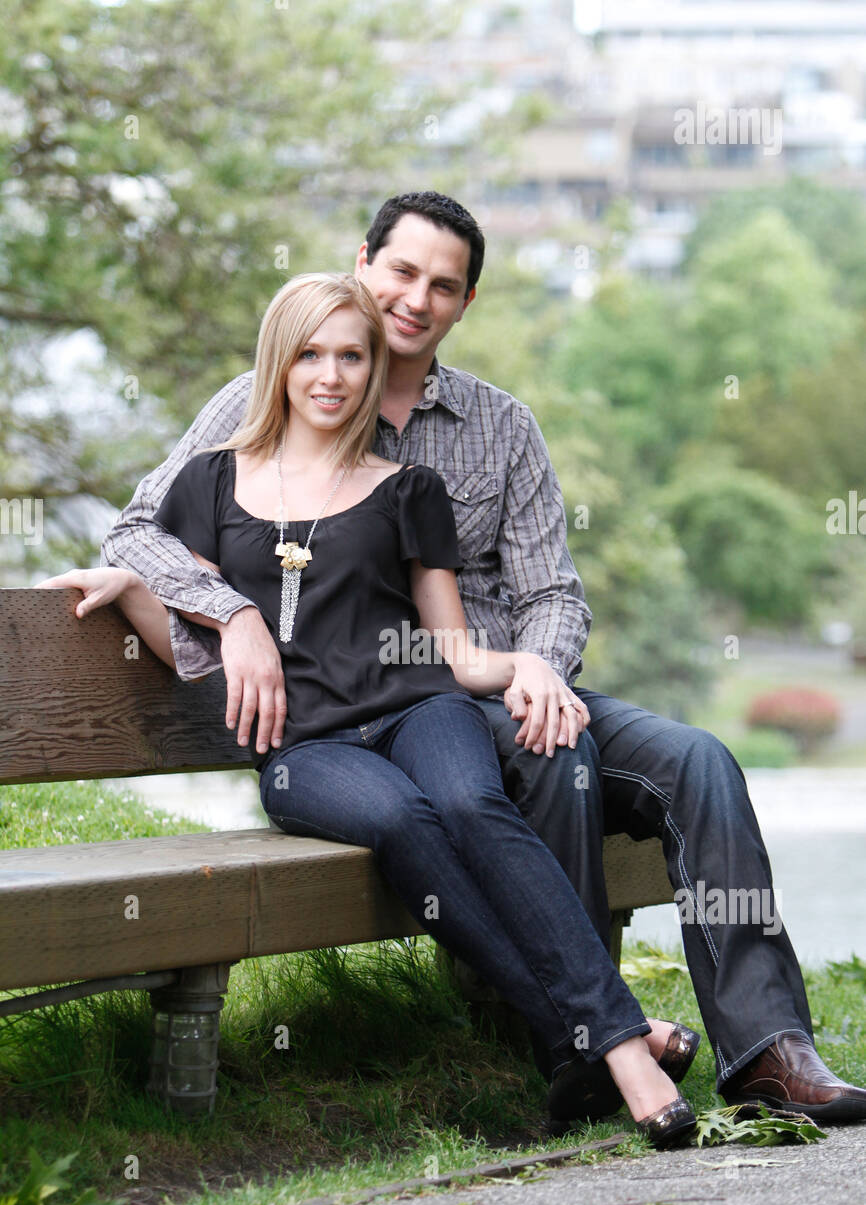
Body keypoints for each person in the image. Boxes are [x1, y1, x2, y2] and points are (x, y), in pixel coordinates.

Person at [97, 191, 866, 1125]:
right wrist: (229, 612)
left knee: (697, 759)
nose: (417, 298)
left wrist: (540, 667)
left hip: (499, 681)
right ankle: (574, 1045)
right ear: (363, 263)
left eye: (444, 286)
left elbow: (553, 591)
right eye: (402, 272)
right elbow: (141, 526)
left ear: (466, 304)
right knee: (557, 761)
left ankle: (767, 1052)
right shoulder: (276, 391)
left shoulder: (503, 427)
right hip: (381, 714)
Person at [39, 271, 701, 1149]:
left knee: (470, 802)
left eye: (352, 356)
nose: (330, 374)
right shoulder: (209, 483)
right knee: (399, 819)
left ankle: (608, 1052)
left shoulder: (407, 489)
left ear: (370, 367)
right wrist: (162, 595)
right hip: (304, 748)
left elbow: (455, 651)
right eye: (310, 353)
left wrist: (532, 669)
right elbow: (169, 607)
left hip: (420, 709)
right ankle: (613, 1034)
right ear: (278, 362)